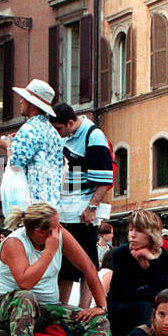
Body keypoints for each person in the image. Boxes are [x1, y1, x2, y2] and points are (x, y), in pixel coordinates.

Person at [0, 202, 112, 336]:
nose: (59, 229)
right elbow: (25, 283)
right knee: (26, 297)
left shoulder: (59, 234)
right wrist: (50, 250)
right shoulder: (15, 242)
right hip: (7, 307)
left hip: (46, 308)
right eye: (55, 227)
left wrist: (101, 307)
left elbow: (88, 267)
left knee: (97, 319)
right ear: (40, 232)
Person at [50, 103, 113, 307]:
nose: (57, 133)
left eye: (59, 128)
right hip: (69, 210)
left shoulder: (93, 136)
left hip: (82, 212)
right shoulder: (70, 136)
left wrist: (91, 207)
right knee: (67, 263)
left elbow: (105, 179)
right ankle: (63, 305)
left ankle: (84, 306)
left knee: (87, 261)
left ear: (70, 123)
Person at [107, 209, 168, 336]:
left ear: (151, 234)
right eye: (131, 230)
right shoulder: (120, 254)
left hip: (150, 310)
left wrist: (151, 262)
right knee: (148, 309)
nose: (132, 235)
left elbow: (161, 294)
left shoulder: (164, 257)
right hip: (121, 309)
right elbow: (123, 294)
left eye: (138, 231)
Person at [0, 79, 63, 207]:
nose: (21, 101)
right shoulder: (53, 133)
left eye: (24, 98)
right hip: (51, 205)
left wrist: (8, 146)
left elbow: (15, 165)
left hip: (32, 205)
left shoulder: (28, 129)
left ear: (32, 103)